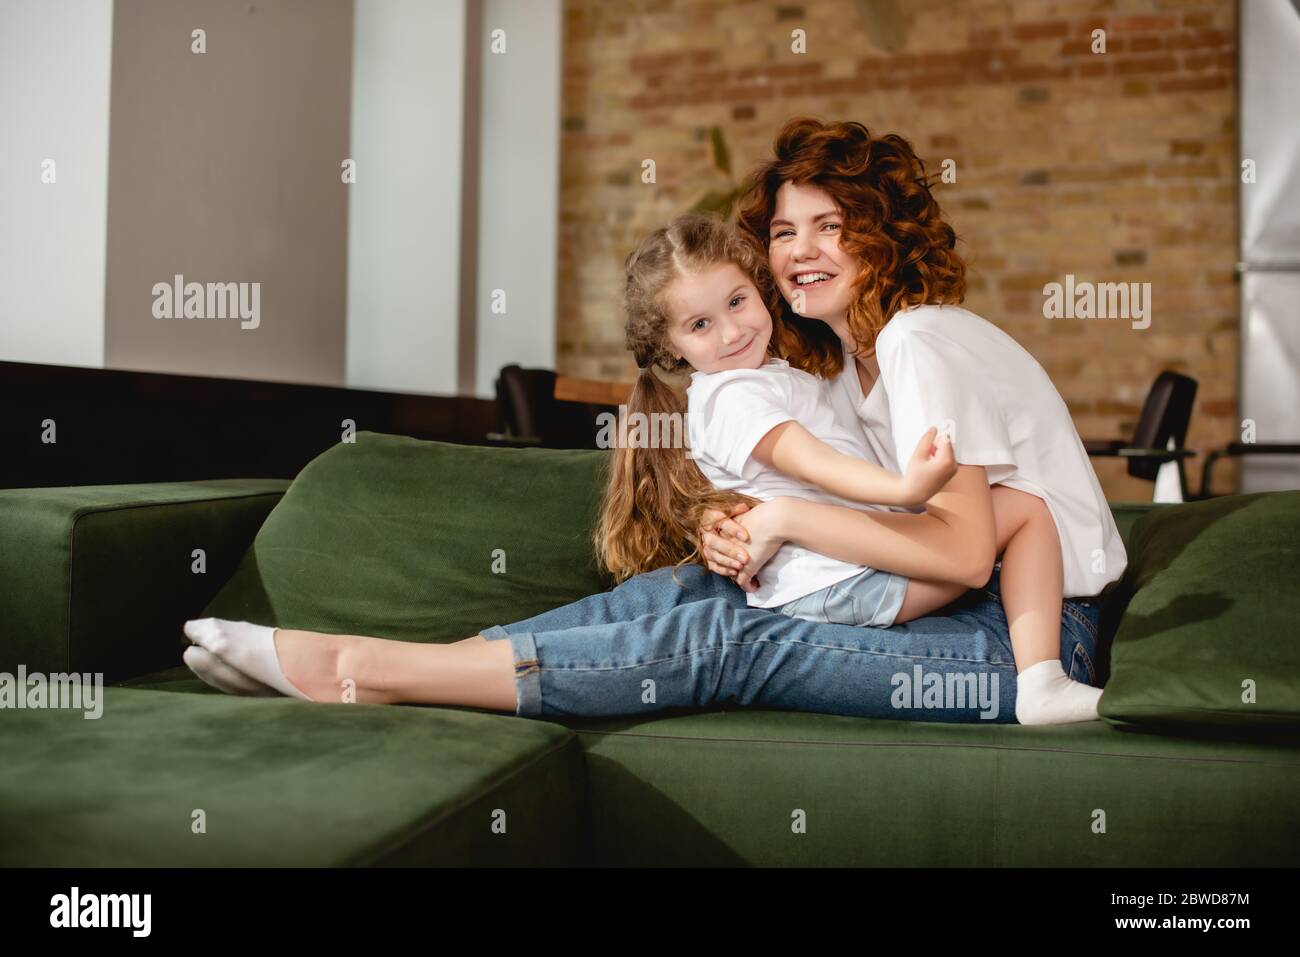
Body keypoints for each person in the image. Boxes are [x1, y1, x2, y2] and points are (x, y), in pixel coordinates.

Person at [181, 118, 1117, 725]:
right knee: (687, 596)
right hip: (965, 607)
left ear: (886, 236)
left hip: (1023, 636)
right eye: (786, 233)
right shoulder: (853, 365)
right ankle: (428, 664)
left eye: (833, 226)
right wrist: (747, 517)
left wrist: (787, 520)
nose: (802, 252)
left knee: (736, 638)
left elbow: (957, 553)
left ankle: (365, 669)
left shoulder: (918, 343)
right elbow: (858, 502)